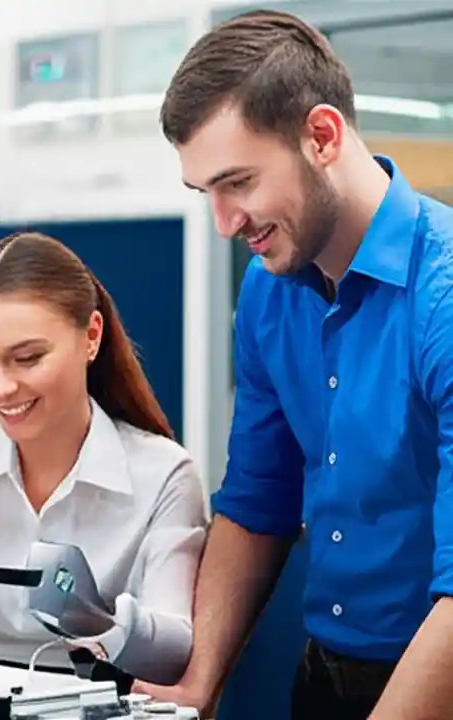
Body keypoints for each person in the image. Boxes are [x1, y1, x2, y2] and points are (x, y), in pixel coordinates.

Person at [135, 10, 453, 719]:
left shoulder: (444, 296)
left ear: (322, 135)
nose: (223, 222)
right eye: (205, 194)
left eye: (237, 183)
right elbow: (258, 499)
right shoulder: (269, 291)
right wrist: (197, 687)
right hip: (324, 681)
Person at [0, 232, 208, 688]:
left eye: (27, 358)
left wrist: (95, 620)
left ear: (91, 337)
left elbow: (174, 651)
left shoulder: (164, 474)